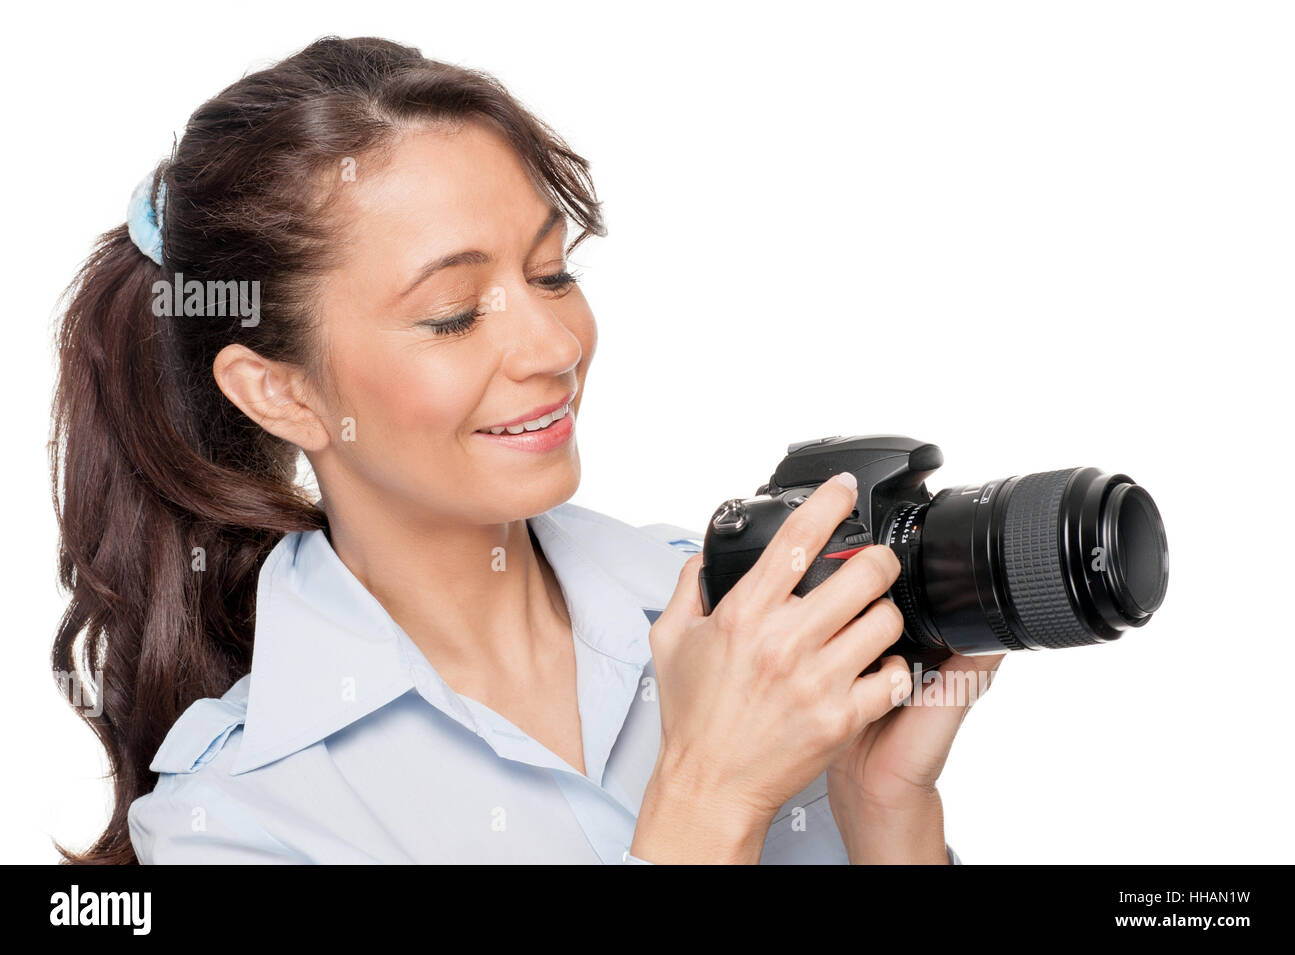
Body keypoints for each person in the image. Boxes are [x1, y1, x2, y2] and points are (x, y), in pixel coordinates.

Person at [50, 36, 1001, 865]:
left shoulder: (733, 617)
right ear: (282, 390)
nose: (555, 347)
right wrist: (710, 795)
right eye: (453, 316)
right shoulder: (235, 815)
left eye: (553, 273)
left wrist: (885, 813)